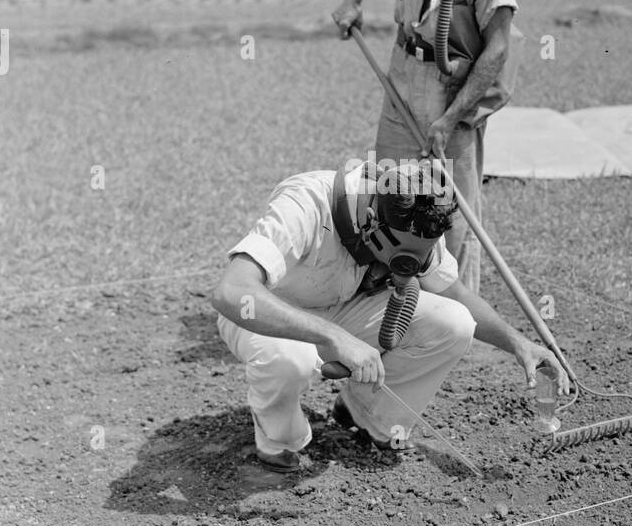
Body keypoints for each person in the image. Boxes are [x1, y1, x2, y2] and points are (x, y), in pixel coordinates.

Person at [211, 157, 568, 471]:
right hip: (263, 315)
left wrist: (519, 344)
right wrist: (335, 338)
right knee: (290, 357)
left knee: (454, 323)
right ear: (370, 220)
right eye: (403, 261)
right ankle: (279, 440)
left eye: (419, 261)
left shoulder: (417, 216)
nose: (410, 271)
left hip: (341, 310)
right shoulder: (307, 204)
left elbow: (454, 293)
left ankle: (369, 418)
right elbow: (232, 293)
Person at [331, 0, 522, 295]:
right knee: (393, 191)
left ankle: (458, 313)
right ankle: (391, 296)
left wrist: (452, 118)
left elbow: (497, 48)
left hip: (455, 85)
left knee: (450, 209)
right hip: (403, 67)